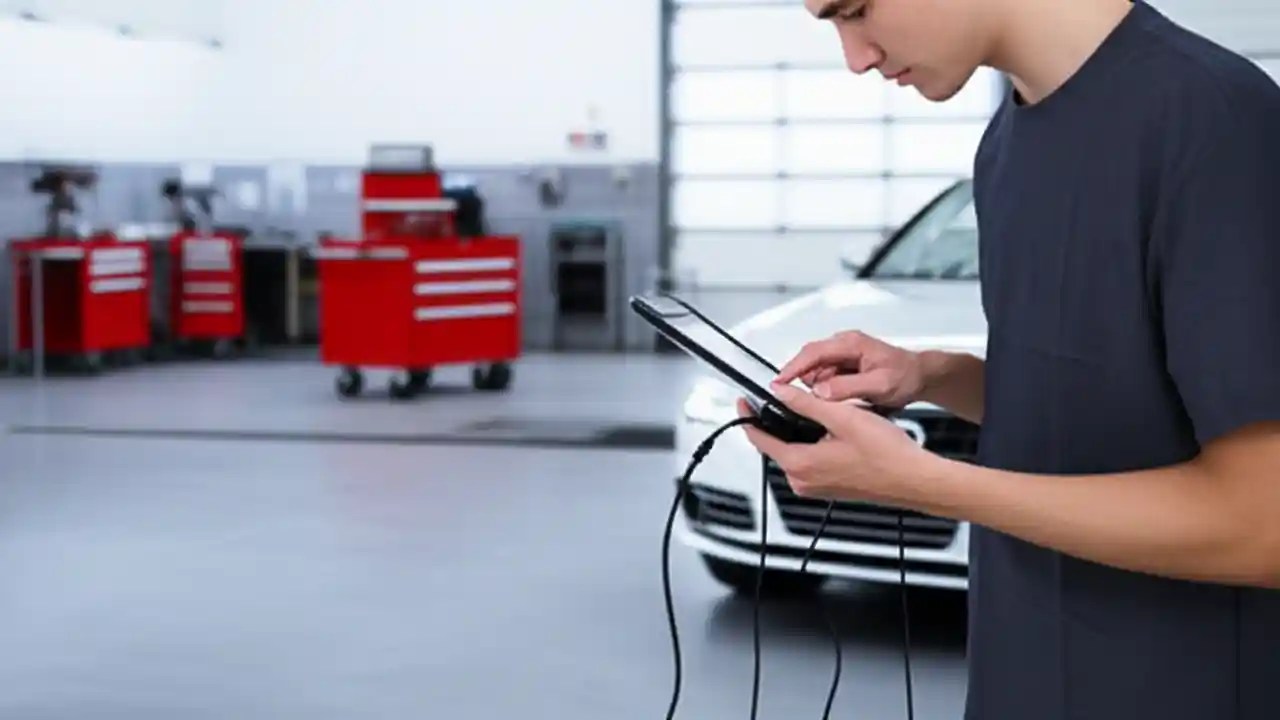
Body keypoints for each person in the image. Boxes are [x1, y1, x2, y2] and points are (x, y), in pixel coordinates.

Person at [737, 0, 1280, 718]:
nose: (855, 56)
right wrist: (930, 376)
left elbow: (1262, 521)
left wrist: (922, 482)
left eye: (857, 9)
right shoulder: (1004, 147)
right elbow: (1110, 398)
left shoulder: (1216, 123)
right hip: (1018, 669)